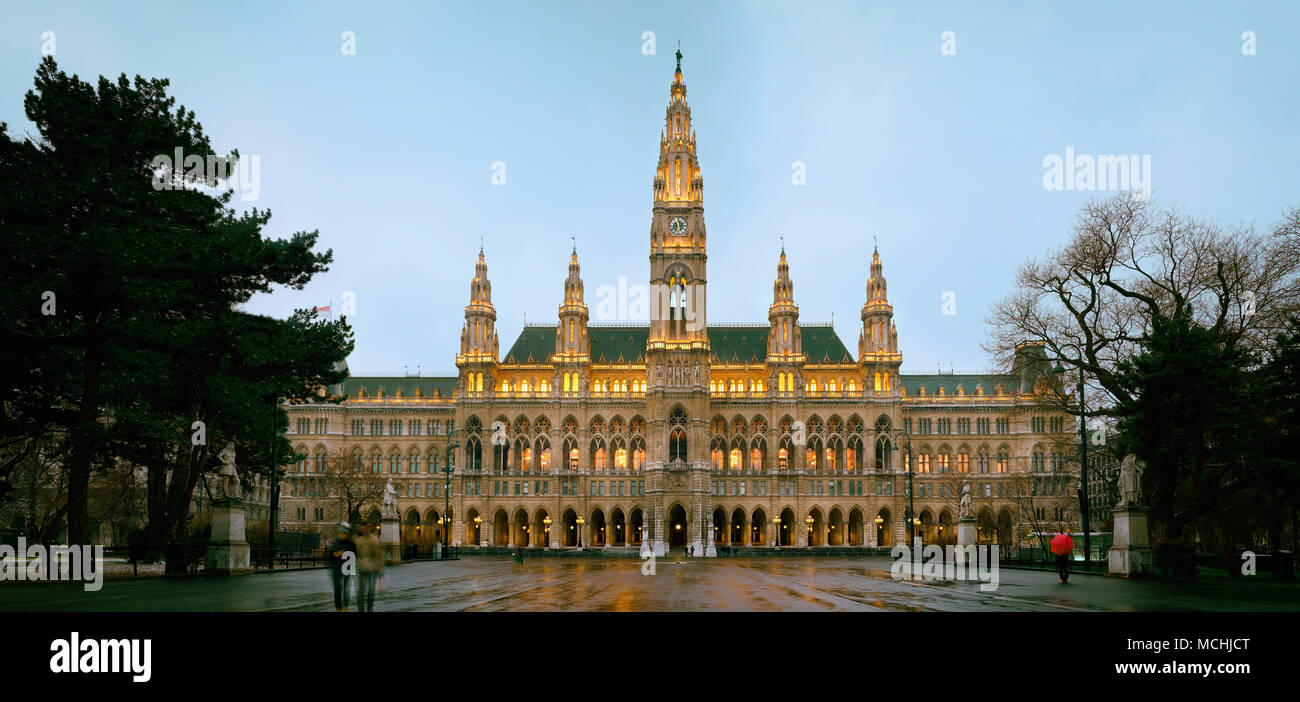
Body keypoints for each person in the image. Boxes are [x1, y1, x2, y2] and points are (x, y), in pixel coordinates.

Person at [353, 524, 384, 612]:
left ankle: (369, 608)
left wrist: (380, 568)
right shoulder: (358, 540)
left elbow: (379, 555)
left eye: (367, 527)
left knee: (370, 590)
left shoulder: (374, 540)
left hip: (372, 568)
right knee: (361, 591)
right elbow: (354, 553)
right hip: (362, 567)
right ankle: (362, 609)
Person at [328, 523, 357, 611]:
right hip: (336, 568)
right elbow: (329, 556)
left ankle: (345, 606)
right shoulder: (336, 542)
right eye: (340, 533)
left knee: (346, 589)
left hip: (347, 567)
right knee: (337, 588)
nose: (341, 535)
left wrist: (344, 554)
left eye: (343, 533)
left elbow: (354, 555)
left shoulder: (351, 543)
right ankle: (338, 607)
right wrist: (334, 554)